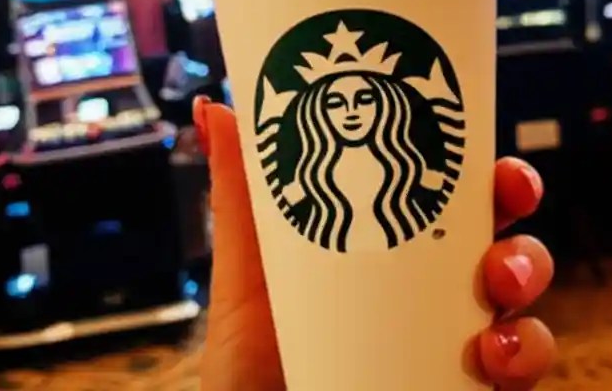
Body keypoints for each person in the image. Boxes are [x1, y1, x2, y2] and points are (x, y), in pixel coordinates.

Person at [194, 97, 558, 390]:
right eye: (336, 103)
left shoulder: (413, 174)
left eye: (364, 99)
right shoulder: (307, 184)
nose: (351, 113)